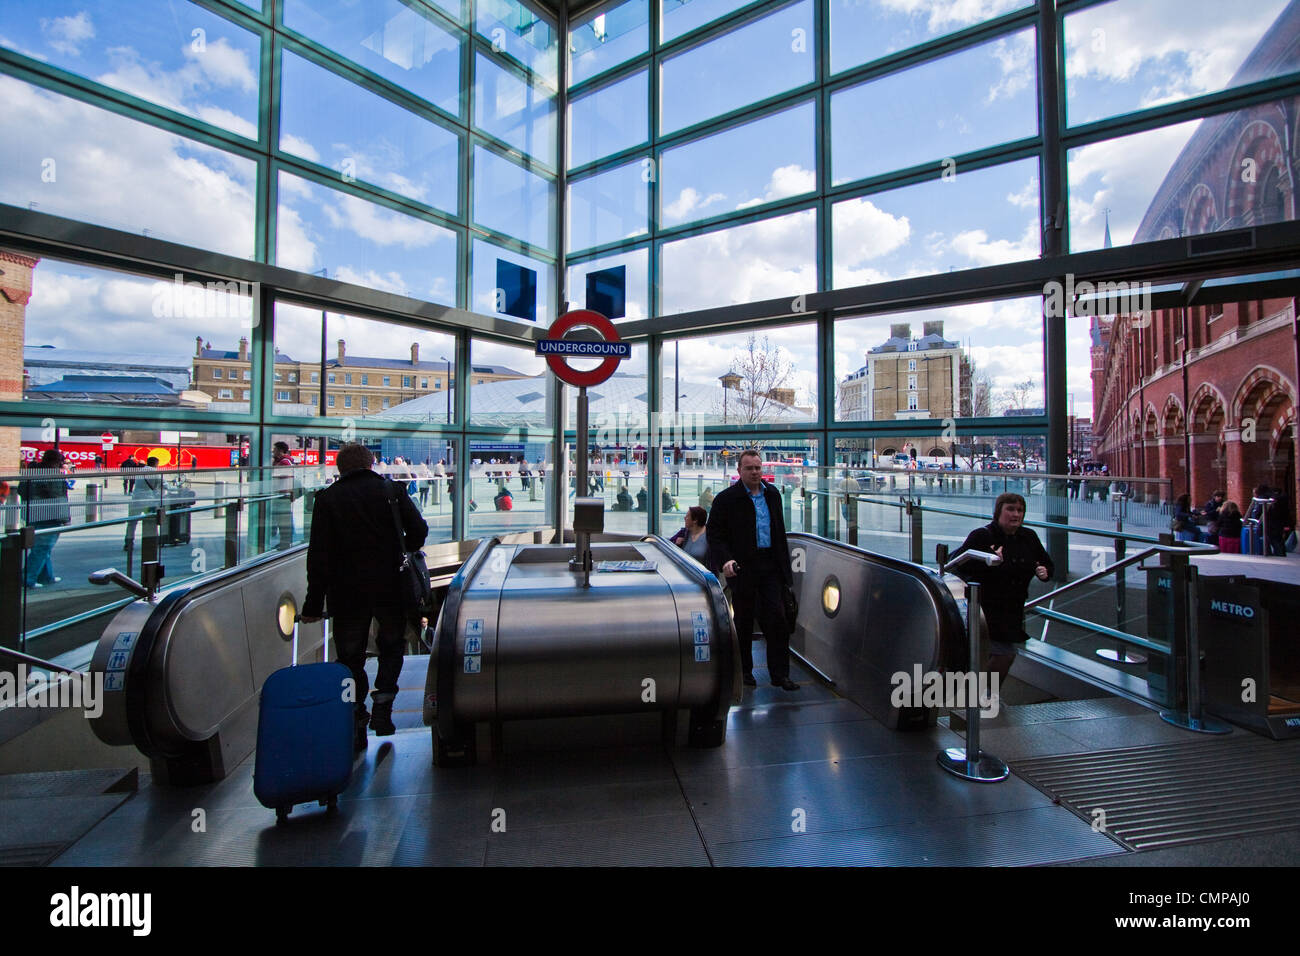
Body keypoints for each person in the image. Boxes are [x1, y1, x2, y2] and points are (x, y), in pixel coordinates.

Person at [300, 443, 428, 750]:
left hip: (346, 590)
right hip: (390, 584)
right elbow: (419, 531)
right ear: (371, 463)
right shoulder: (391, 492)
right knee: (391, 646)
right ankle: (384, 706)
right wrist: (400, 546)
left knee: (349, 656)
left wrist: (313, 604)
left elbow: (319, 555)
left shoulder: (328, 499)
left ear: (340, 468)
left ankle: (356, 716)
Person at [706, 449, 799, 691]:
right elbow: (714, 534)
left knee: (777, 619)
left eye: (758, 467)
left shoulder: (773, 495)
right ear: (739, 471)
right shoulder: (726, 499)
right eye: (749, 468)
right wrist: (725, 561)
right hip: (743, 567)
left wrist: (784, 572)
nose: (755, 472)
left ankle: (780, 674)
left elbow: (779, 533)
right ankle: (745, 671)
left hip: (770, 566)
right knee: (744, 621)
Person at [950, 492, 1054, 686]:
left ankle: (981, 697)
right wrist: (988, 558)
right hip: (985, 608)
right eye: (1010, 509)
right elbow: (957, 564)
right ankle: (983, 696)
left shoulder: (1028, 537)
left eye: (1020, 510)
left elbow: (1046, 563)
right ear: (998, 512)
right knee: (1003, 654)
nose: (1016, 514)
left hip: (1013, 610)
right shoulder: (983, 535)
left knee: (999, 655)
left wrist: (1044, 571)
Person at [19, 450, 71, 588]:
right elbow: (58, 497)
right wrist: (65, 518)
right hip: (49, 515)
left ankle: (47, 577)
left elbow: (21, 491)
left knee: (43, 547)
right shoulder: (54, 474)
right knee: (42, 548)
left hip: (32, 513)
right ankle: (27, 579)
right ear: (58, 461)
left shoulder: (31, 472)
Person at [123, 457, 162, 551]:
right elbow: (160, 485)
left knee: (132, 522)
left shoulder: (140, 471)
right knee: (151, 520)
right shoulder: (156, 473)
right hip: (148, 501)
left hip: (135, 500)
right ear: (156, 463)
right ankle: (152, 541)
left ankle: (128, 543)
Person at [271, 441, 296, 550]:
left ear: (280, 451)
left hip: (283, 495)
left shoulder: (285, 462)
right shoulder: (279, 461)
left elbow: (284, 479)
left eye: (275, 449)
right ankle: (284, 541)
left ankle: (285, 543)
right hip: (281, 494)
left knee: (283, 520)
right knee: (281, 519)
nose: (273, 451)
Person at [670, 505, 712, 570]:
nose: (684, 518)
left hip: (703, 577)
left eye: (687, 516)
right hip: (684, 573)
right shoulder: (683, 533)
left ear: (695, 520)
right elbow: (669, 544)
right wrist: (677, 544)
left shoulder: (710, 536)